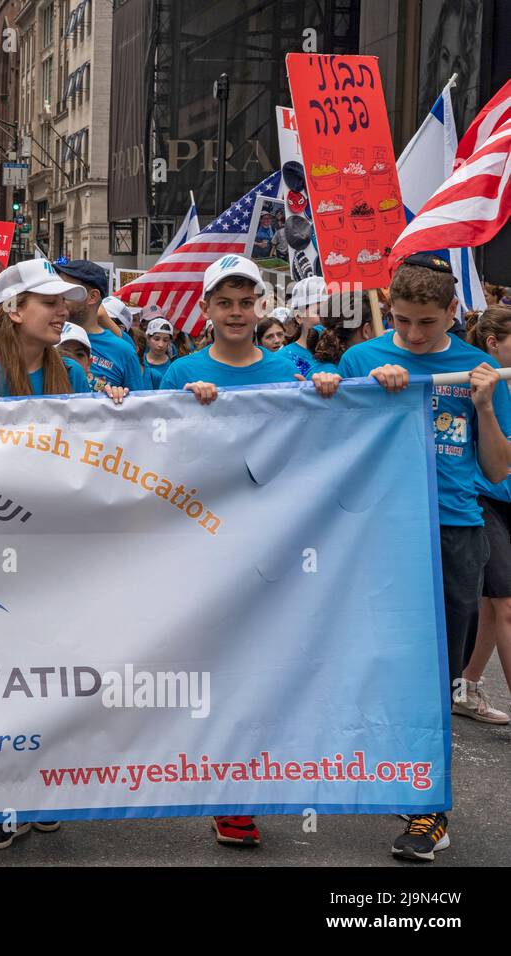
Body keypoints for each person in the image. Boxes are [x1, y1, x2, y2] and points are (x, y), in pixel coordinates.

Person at [161, 254, 343, 849]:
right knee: (218, 670)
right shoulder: (178, 372)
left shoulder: (292, 368)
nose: (237, 313)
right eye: (225, 303)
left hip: (277, 542)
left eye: (246, 303)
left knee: (268, 667)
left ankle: (252, 786)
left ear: (260, 306)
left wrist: (326, 391)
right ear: (207, 309)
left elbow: (320, 439)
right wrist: (186, 408)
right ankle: (224, 792)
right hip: (203, 545)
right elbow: (150, 454)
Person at [336, 254, 511, 862]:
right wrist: (352, 389)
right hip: (377, 525)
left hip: (454, 527)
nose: (413, 335)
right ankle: (378, 774)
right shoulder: (362, 358)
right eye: (403, 320)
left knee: (440, 667)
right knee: (373, 659)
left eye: (428, 323)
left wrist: (485, 404)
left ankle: (431, 807)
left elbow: (496, 468)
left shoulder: (479, 366)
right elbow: (335, 446)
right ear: (388, 306)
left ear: (453, 314)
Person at [463, 305, 511, 724]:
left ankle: (468, 684)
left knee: (493, 608)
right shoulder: (480, 380)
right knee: (505, 603)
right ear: (493, 344)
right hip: (484, 498)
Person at [0, 260, 92, 401]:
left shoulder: (72, 373)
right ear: (15, 311)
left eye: (63, 302)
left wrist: (112, 400)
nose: (64, 312)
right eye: (50, 302)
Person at [53, 260, 146, 391]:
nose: (60, 296)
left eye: (69, 291)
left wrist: (117, 397)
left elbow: (136, 407)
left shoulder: (123, 352)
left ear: (92, 297)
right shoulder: (47, 336)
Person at [278, 277, 329, 376]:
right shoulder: (281, 359)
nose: (327, 318)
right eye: (319, 312)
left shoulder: (344, 354)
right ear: (299, 317)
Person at [142, 317, 174, 388]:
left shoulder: (173, 366)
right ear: (148, 338)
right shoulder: (139, 361)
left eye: (165, 340)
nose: (161, 345)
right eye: (156, 339)